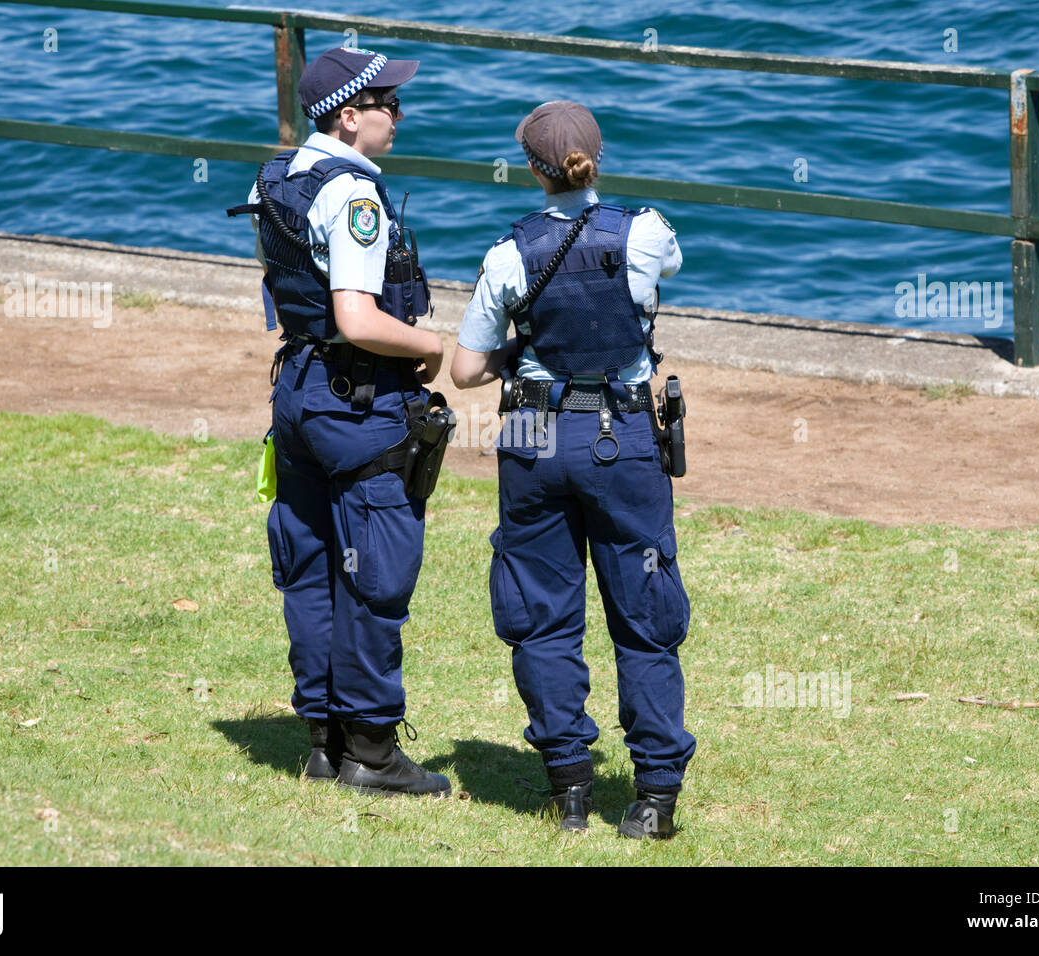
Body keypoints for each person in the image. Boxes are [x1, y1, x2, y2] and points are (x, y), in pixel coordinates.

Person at [450, 101, 695, 837]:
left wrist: (512, 355)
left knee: (540, 616)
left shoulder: (507, 253)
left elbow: (464, 371)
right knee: (644, 615)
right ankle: (652, 800)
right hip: (621, 431)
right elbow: (661, 278)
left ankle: (570, 792)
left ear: (534, 169)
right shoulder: (646, 233)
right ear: (597, 158)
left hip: (531, 431)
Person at [232, 47, 449, 797]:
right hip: (354, 399)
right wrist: (429, 345)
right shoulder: (354, 194)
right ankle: (374, 754)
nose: (400, 114)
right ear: (351, 116)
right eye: (390, 103)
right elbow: (357, 318)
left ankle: (323, 742)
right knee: (374, 572)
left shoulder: (280, 174)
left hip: (295, 388)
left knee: (312, 568)